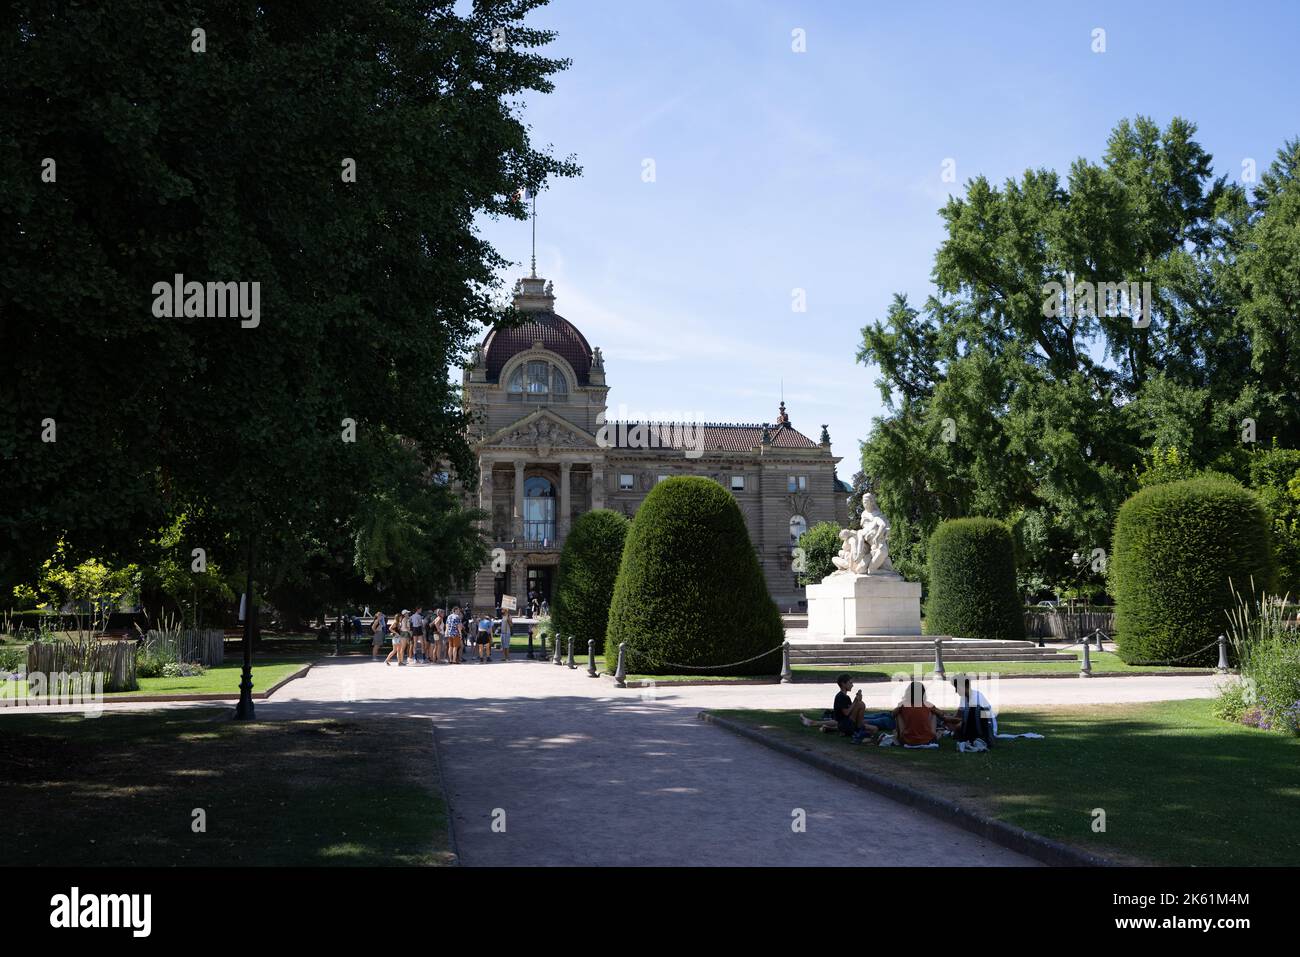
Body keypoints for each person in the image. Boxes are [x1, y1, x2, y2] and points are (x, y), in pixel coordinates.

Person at [801, 674, 894, 740]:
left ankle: (856, 728)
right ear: (843, 684)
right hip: (846, 724)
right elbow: (847, 713)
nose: (852, 685)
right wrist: (856, 701)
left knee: (873, 722)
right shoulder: (841, 696)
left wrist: (856, 701)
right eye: (850, 683)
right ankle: (859, 728)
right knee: (862, 705)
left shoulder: (845, 697)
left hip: (845, 723)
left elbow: (851, 711)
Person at [890, 680, 956, 747]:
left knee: (898, 713)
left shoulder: (903, 704)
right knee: (934, 713)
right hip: (927, 740)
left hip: (907, 740)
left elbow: (892, 715)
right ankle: (933, 735)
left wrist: (900, 709)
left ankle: (899, 736)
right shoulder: (927, 704)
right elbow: (941, 714)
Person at [951, 674, 997, 747]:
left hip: (984, 729)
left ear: (965, 686)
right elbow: (959, 713)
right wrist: (948, 719)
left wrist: (959, 725)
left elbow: (986, 720)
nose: (956, 691)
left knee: (960, 727)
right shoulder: (964, 697)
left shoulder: (977, 698)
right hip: (976, 725)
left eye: (957, 688)